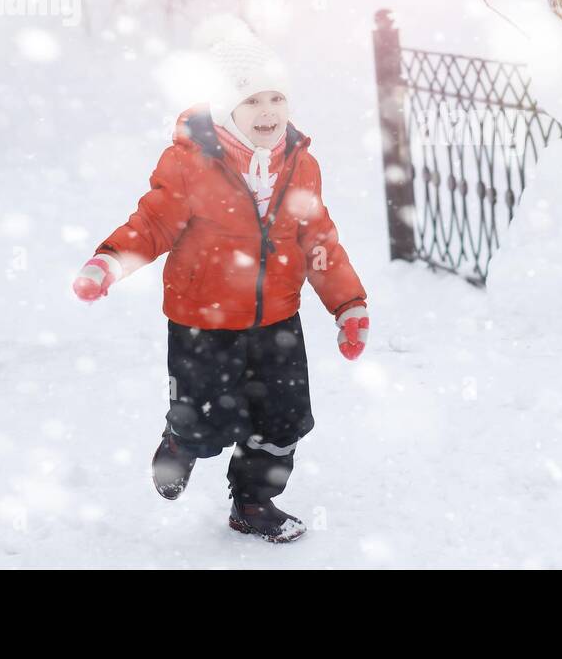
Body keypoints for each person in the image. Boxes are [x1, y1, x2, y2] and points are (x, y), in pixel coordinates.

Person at [73, 28, 369, 543]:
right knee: (207, 420)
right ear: (229, 108)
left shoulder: (302, 166)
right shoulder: (191, 163)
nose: (267, 109)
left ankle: (253, 502)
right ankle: (181, 442)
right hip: (202, 320)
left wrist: (348, 304)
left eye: (276, 97)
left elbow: (319, 240)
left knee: (282, 419)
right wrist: (110, 262)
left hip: (277, 318)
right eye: (252, 98)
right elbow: (153, 223)